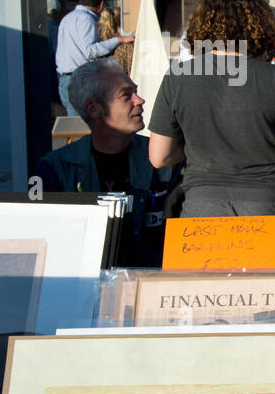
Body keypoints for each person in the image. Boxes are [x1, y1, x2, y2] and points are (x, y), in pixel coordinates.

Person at [148, 0, 275, 266]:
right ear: (257, 22)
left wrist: (197, 148)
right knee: (271, 306)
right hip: (267, 208)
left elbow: (159, 156)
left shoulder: (177, 77)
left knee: (204, 304)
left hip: (201, 207)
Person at [37, 58, 181, 266]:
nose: (140, 100)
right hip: (84, 284)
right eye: (126, 95)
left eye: (136, 91)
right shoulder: (55, 169)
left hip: (150, 281)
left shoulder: (165, 159)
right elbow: (45, 238)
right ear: (94, 109)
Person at [55, 0, 134, 117]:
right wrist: (119, 40)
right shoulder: (87, 19)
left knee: (75, 128)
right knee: (84, 128)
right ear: (101, 4)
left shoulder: (67, 18)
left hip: (64, 79)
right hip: (79, 80)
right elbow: (90, 51)